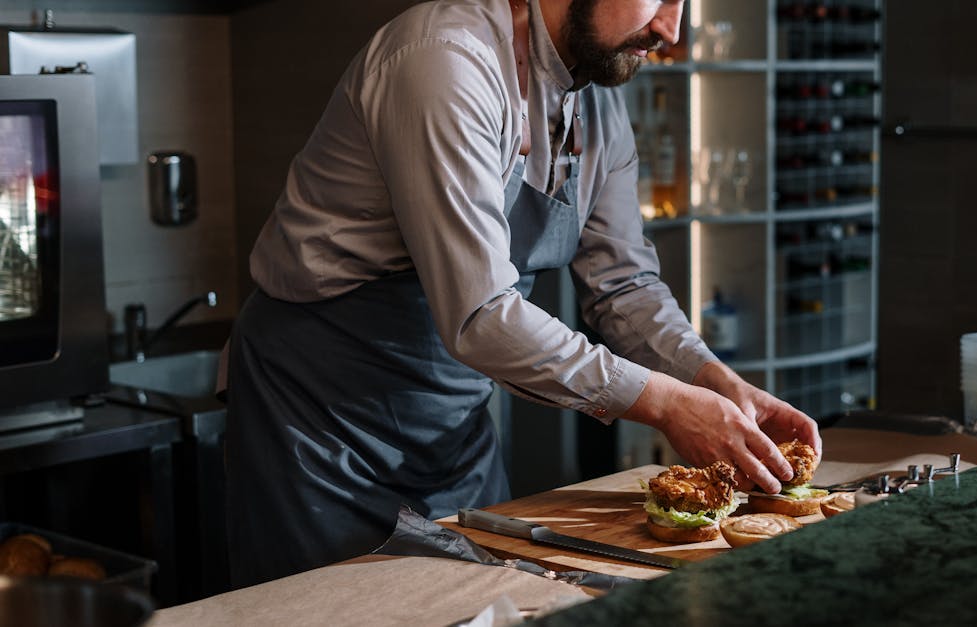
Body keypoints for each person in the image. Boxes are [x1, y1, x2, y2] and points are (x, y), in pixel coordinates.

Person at [224, 0, 822, 587]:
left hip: (451, 425)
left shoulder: (599, 103)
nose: (671, 27)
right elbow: (482, 314)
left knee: (489, 602)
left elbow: (624, 284)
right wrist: (665, 404)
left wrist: (707, 376)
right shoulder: (445, 61)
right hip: (321, 422)